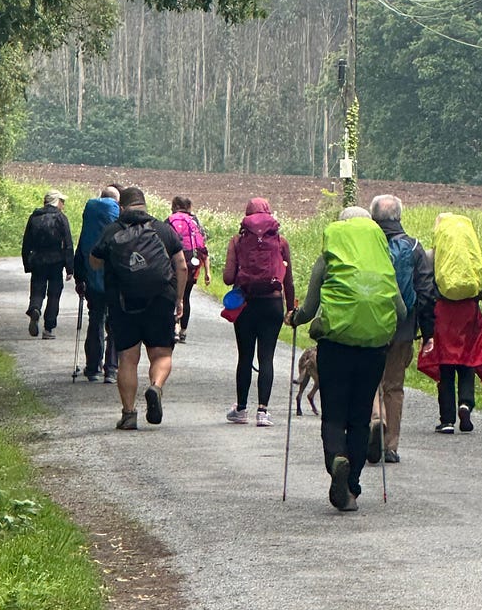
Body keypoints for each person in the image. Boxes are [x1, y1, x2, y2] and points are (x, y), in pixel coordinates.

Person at [290, 207, 403, 511]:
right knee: (359, 417)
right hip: (373, 350)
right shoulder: (382, 258)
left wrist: (295, 318)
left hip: (335, 347)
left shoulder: (328, 258)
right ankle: (351, 483)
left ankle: (336, 462)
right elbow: (401, 311)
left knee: (334, 415)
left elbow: (310, 307)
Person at [90, 186, 186, 432]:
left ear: (121, 207)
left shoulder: (112, 231)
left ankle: (129, 414)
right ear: (144, 205)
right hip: (161, 300)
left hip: (124, 304)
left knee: (127, 359)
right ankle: (155, 386)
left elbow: (95, 261)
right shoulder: (163, 230)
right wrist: (179, 299)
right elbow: (182, 265)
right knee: (162, 354)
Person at [366, 195, 434, 465]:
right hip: (403, 328)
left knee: (371, 380)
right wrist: (428, 333)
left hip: (371, 324)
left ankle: (375, 419)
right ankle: (391, 446)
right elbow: (426, 292)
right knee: (394, 386)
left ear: (374, 218)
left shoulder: (369, 244)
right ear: (399, 217)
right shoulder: (415, 247)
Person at [417, 213, 482, 435]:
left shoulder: (433, 255)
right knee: (468, 360)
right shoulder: (471, 255)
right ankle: (466, 403)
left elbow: (426, 289)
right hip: (469, 313)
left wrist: (423, 323)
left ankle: (447, 419)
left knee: (446, 366)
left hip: (443, 314)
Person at [222, 197, 295, 427]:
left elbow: (227, 278)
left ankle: (241, 409)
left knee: (245, 356)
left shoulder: (237, 241)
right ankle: (263, 412)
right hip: (273, 304)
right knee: (267, 357)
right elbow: (289, 281)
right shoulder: (280, 242)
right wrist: (291, 309)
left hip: (245, 304)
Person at [74, 185, 120, 383]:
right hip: (115, 282)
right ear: (117, 202)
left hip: (92, 281)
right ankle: (111, 369)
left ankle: (93, 368)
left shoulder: (90, 219)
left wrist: (79, 279)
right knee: (116, 324)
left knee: (96, 321)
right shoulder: (119, 220)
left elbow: (81, 250)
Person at [20, 190, 74, 339]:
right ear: (56, 202)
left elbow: (26, 243)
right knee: (54, 294)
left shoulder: (34, 217)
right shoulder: (61, 218)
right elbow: (68, 244)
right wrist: (70, 268)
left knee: (37, 288)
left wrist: (27, 263)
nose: (63, 204)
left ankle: (35, 308)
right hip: (56, 261)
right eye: (62, 201)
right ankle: (48, 328)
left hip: (38, 259)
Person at [166, 197, 210, 342]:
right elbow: (203, 247)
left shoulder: (169, 220)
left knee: (173, 297)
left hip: (173, 264)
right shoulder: (195, 222)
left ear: (176, 206)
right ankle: (184, 330)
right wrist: (207, 272)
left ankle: (174, 328)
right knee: (186, 297)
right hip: (192, 264)